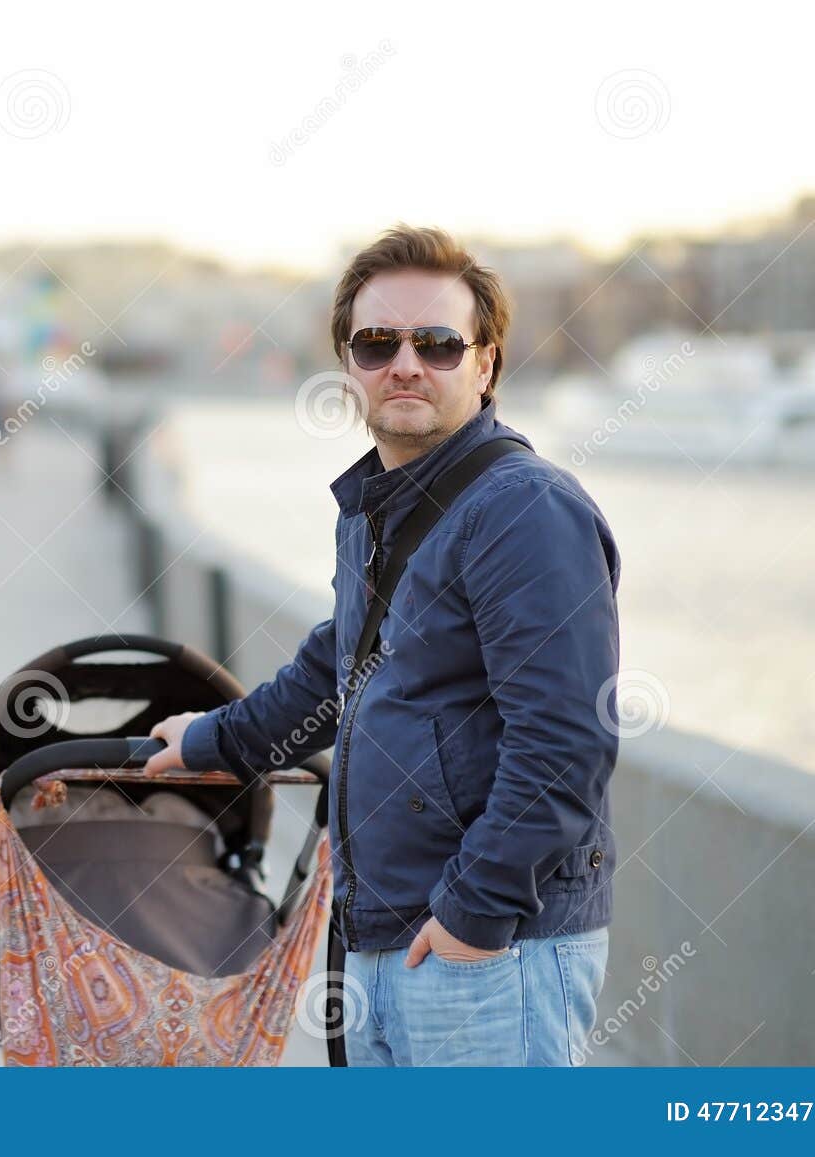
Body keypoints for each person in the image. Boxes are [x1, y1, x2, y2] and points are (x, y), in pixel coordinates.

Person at [143, 225, 622, 1067]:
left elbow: (566, 739)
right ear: (348, 363)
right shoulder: (380, 504)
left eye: (438, 343)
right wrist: (213, 740)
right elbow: (342, 661)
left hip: (488, 952)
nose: (406, 364)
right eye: (378, 342)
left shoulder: (523, 509)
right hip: (384, 942)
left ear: (487, 364)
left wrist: (474, 913)